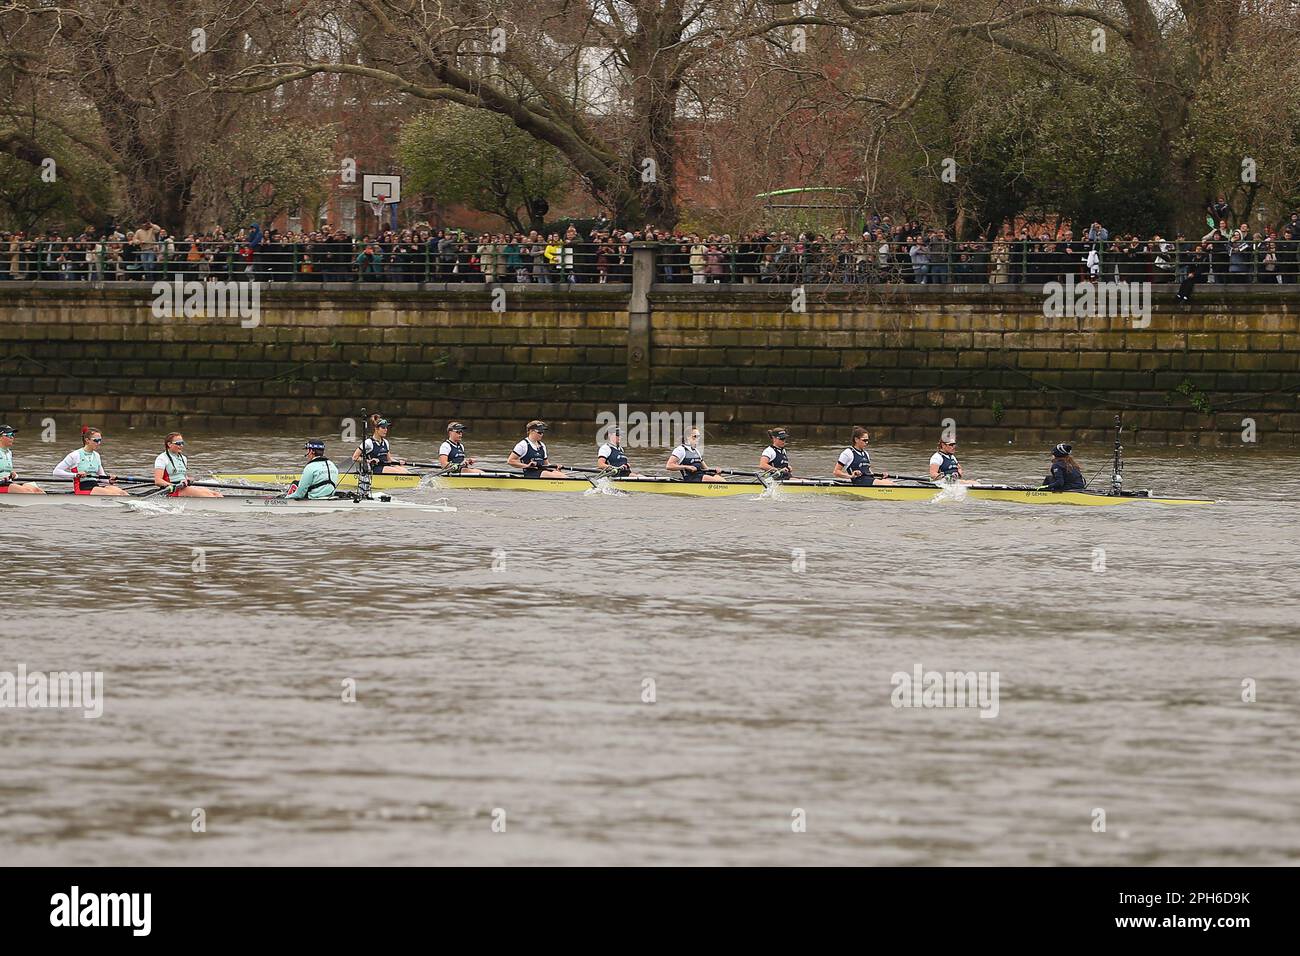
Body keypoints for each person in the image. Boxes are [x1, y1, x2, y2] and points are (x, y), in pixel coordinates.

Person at [53, 426, 127, 495]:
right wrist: (75, 475)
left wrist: (109, 480)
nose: (99, 443)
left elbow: (101, 476)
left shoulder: (97, 455)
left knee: (122, 493)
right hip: (82, 488)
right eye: (96, 440)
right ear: (87, 440)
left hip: (95, 486)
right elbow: (56, 472)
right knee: (114, 495)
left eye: (100, 440)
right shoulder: (75, 455)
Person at [153, 432, 221, 497]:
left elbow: (182, 476)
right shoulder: (162, 459)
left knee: (216, 494)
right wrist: (172, 485)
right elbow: (158, 481)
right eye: (178, 443)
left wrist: (188, 479)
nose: (181, 445)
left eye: (182, 443)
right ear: (169, 444)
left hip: (183, 487)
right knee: (209, 496)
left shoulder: (183, 458)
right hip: (172, 491)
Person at [0, 424, 44, 493]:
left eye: (12, 435)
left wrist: (11, 472)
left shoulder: (9, 453)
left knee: (37, 490)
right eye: (8, 435)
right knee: (27, 491)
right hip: (1, 486)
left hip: (7, 484)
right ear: (0, 437)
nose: (12, 437)